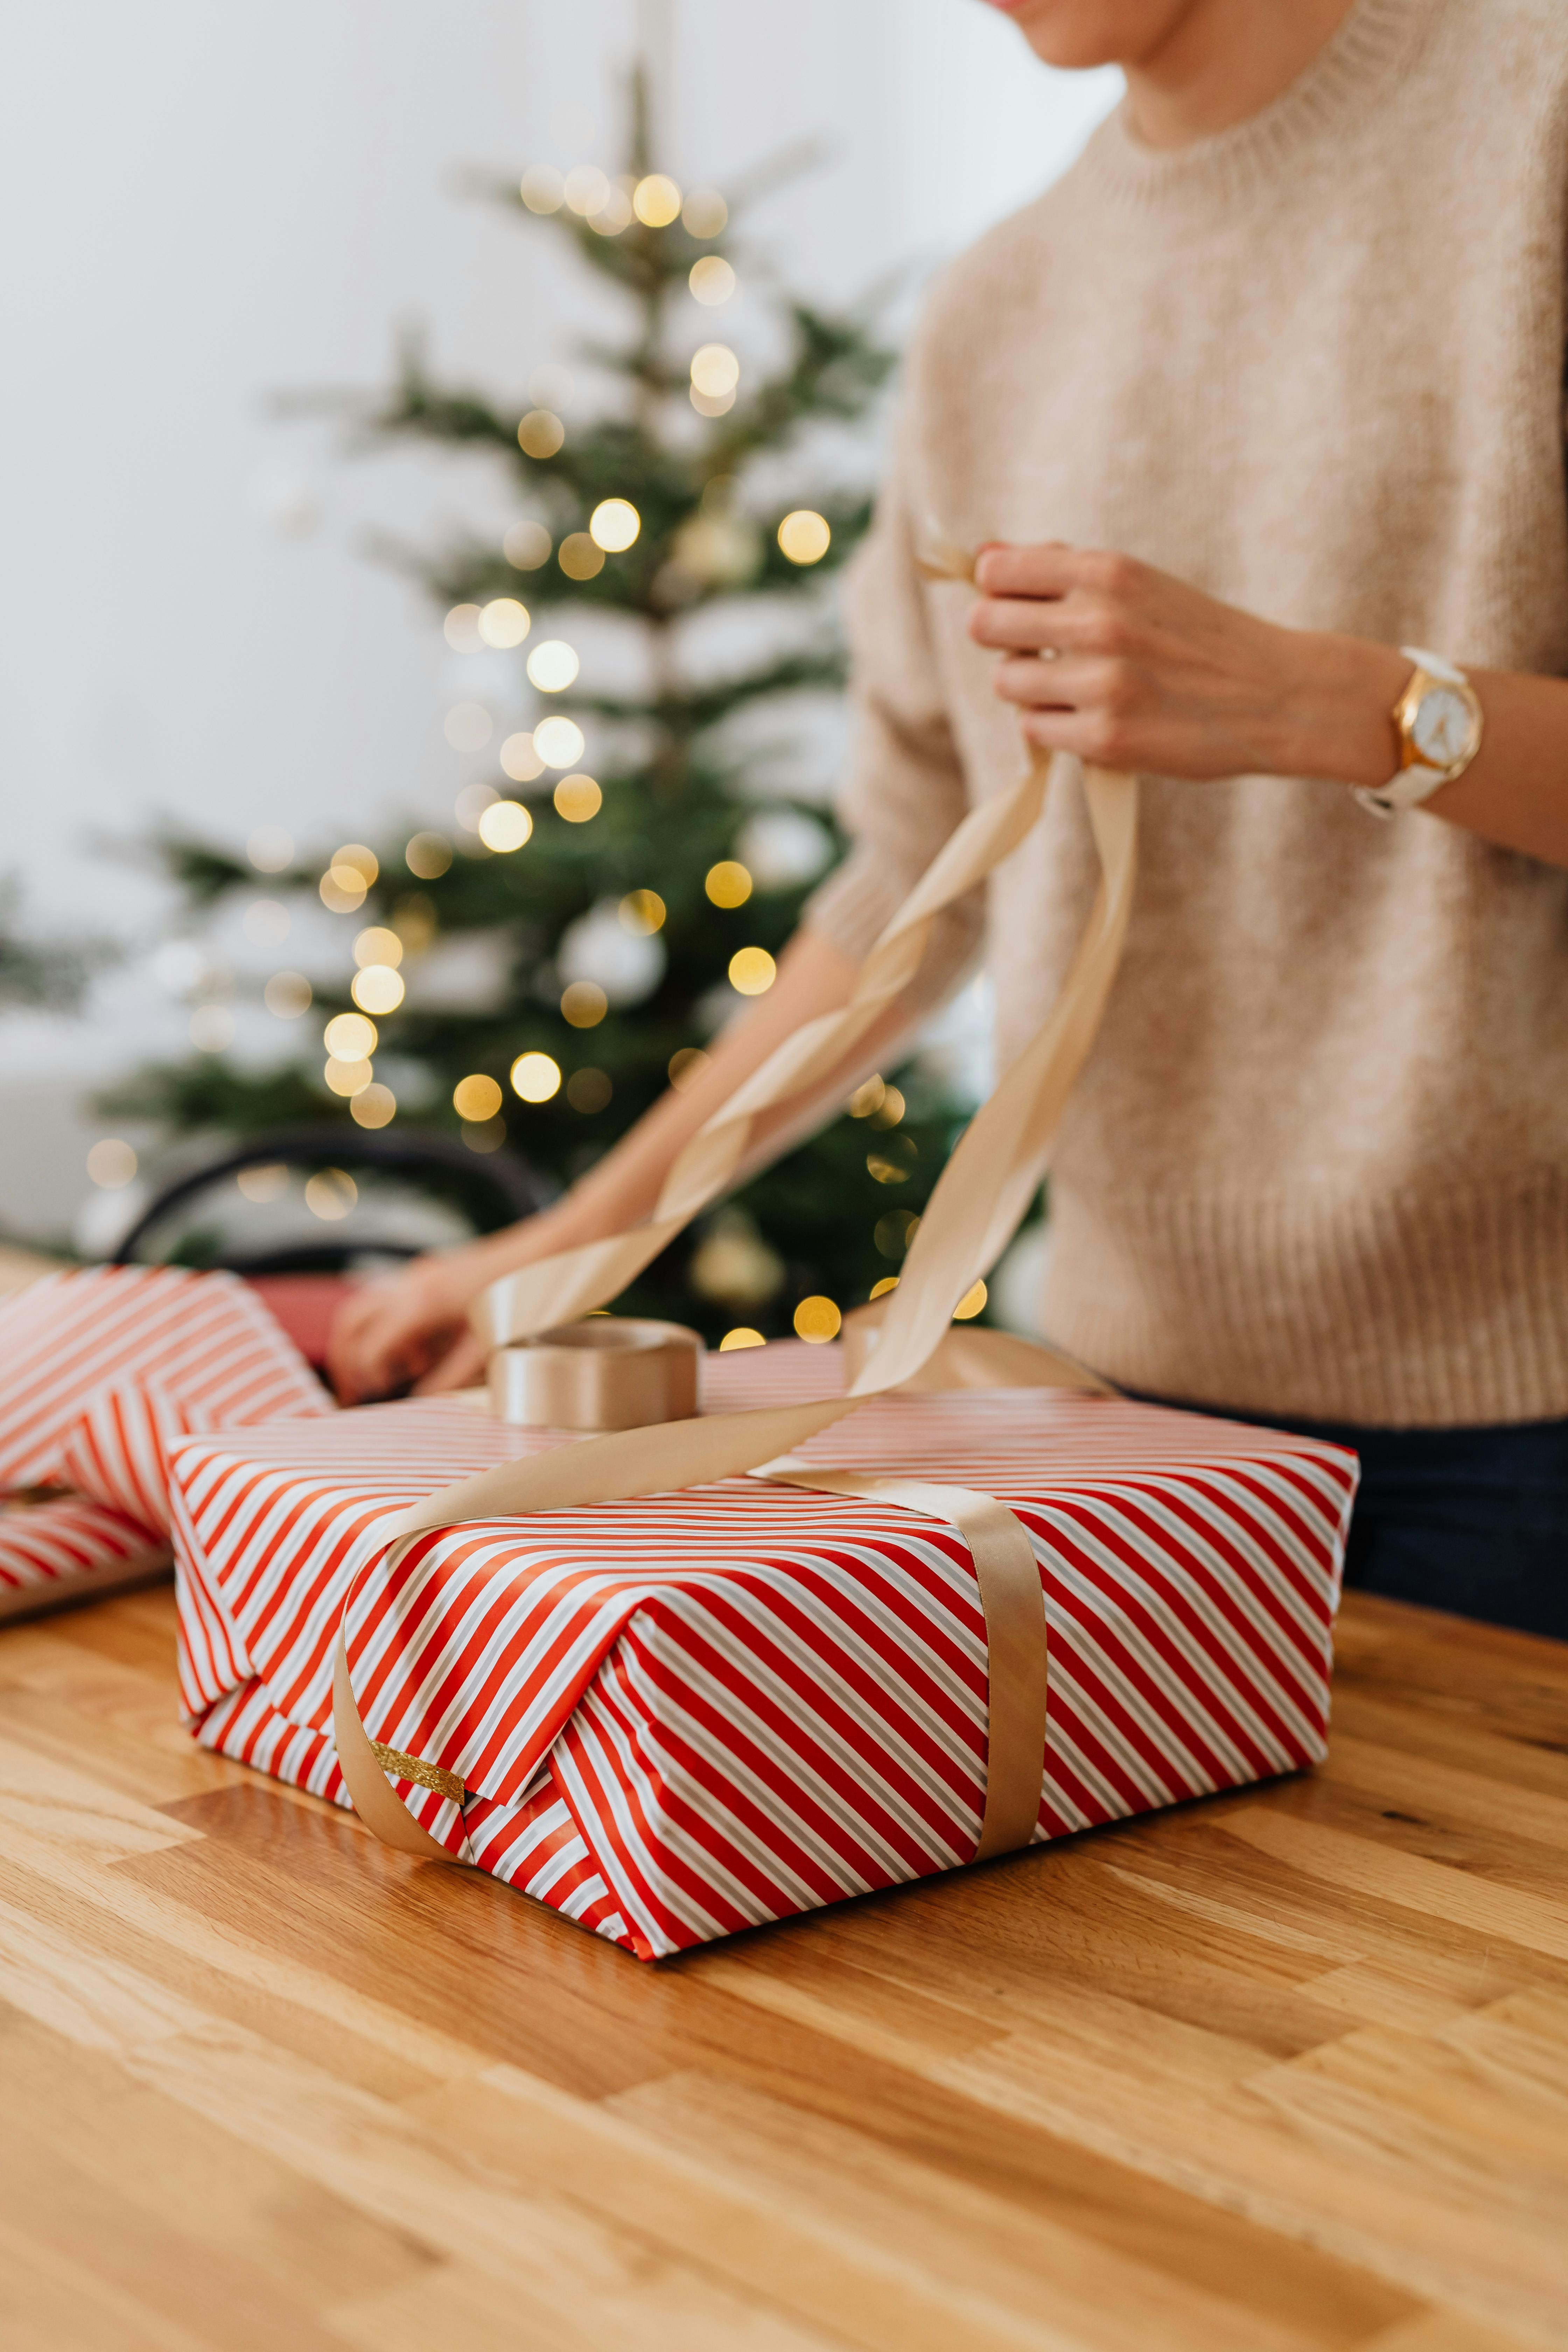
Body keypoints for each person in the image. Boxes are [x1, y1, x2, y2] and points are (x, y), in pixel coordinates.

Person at [330, 0, 1568, 1639]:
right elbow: (909, 883)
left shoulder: (1532, 115)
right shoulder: (998, 311)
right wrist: (566, 1247)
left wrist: (1330, 706)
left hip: (1531, 1427)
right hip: (1131, 1425)